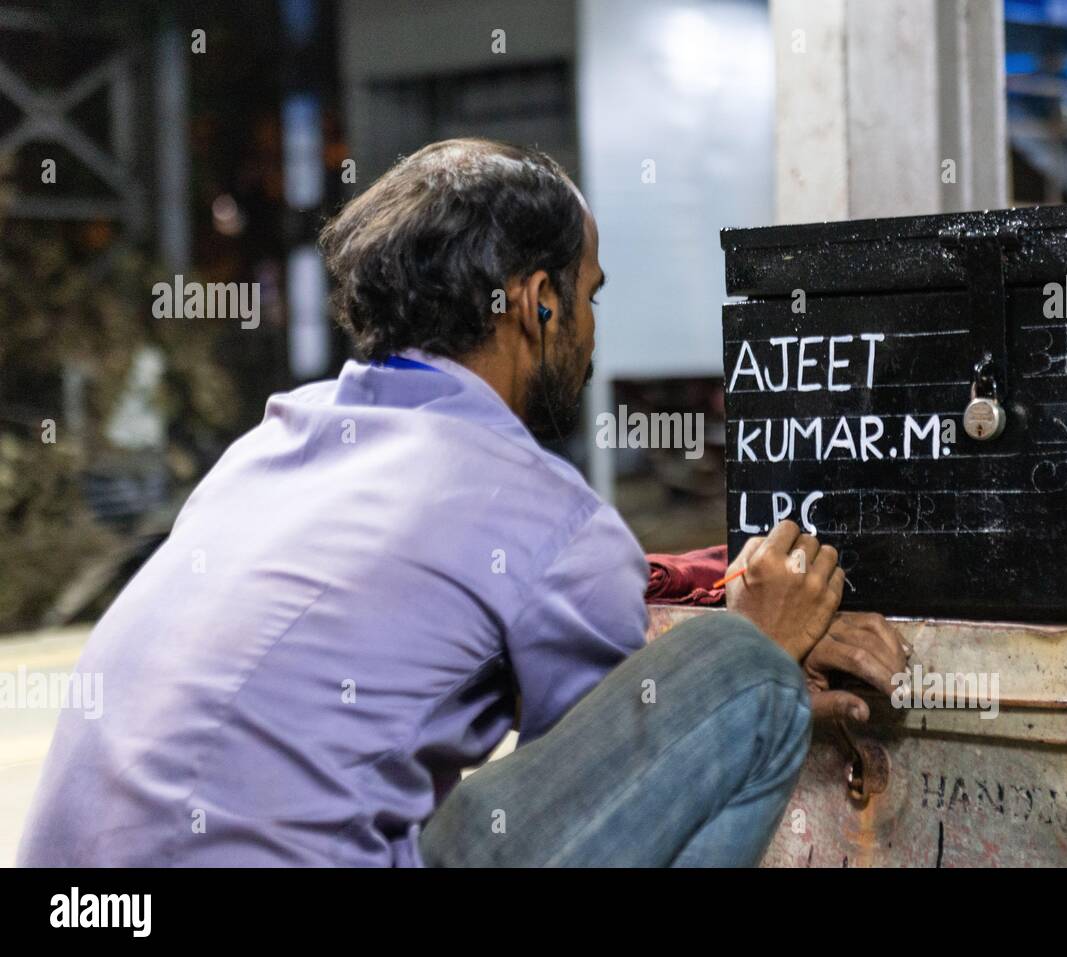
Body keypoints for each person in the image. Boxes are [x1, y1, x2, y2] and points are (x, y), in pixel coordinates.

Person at [19, 138, 906, 867]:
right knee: (740, 675)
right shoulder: (547, 514)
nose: (594, 332)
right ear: (536, 304)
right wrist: (759, 649)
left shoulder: (266, 446)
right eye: (589, 297)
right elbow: (624, 783)